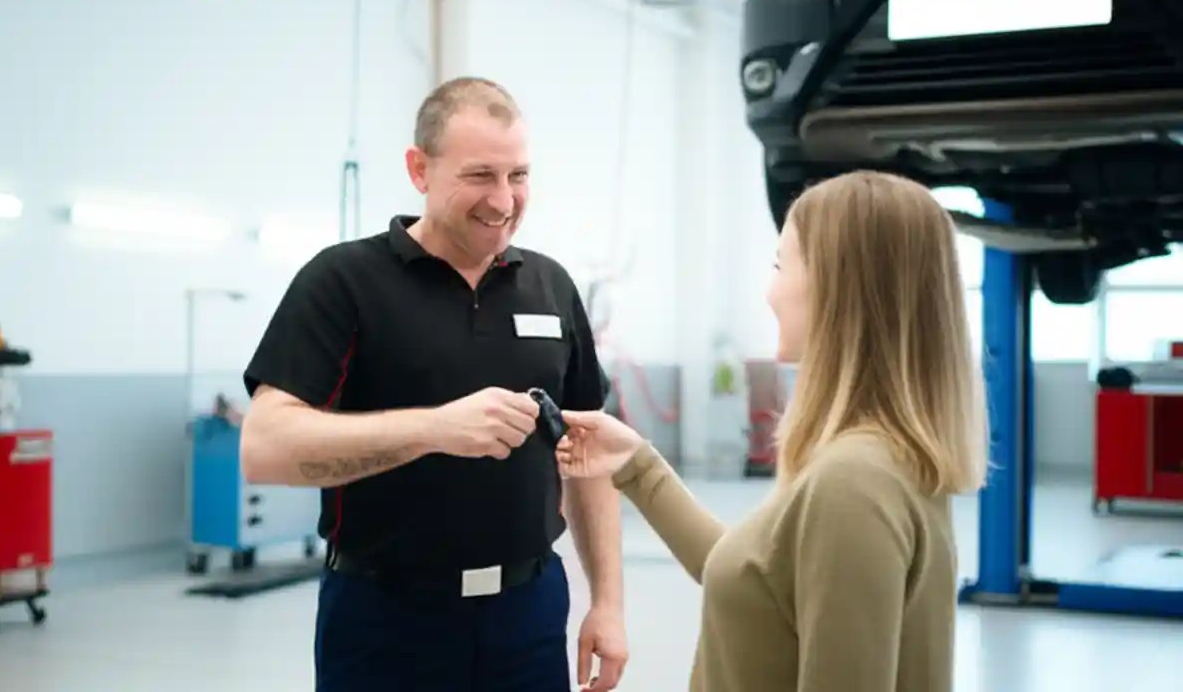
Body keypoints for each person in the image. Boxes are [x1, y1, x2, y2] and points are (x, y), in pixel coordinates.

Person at [239, 76, 628, 692]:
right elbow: (264, 448)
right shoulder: (344, 282)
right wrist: (434, 429)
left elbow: (588, 454)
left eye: (518, 175)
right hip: (385, 619)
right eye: (480, 176)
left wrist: (608, 602)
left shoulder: (551, 287)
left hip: (527, 613)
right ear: (419, 169)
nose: (503, 200)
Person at [554, 170, 988, 692]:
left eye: (781, 265)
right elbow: (756, 578)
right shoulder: (886, 459)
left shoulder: (853, 484)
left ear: (837, 287)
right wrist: (638, 467)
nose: (770, 292)